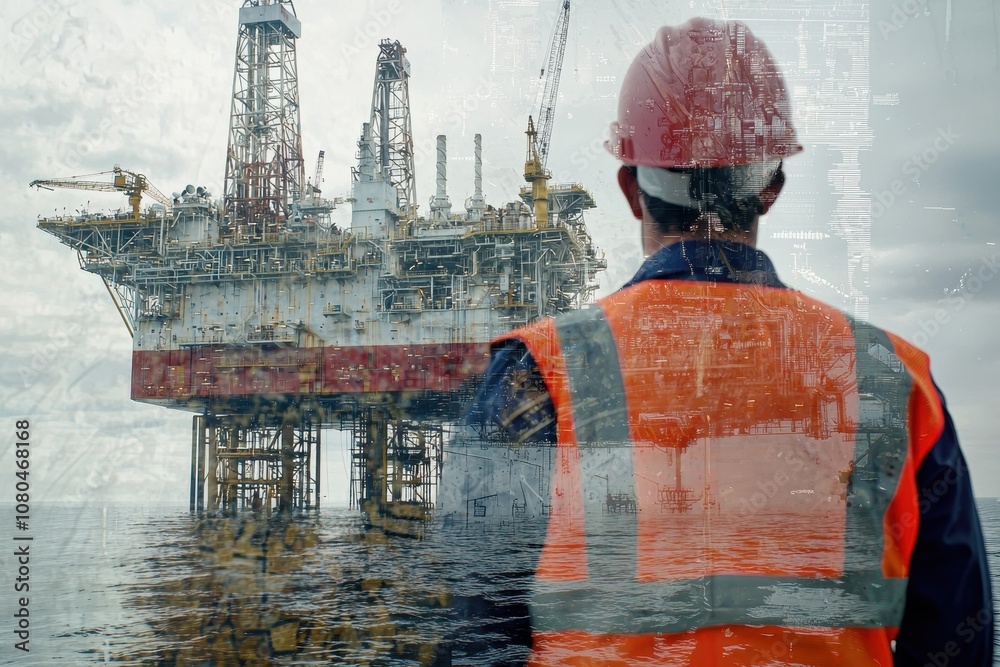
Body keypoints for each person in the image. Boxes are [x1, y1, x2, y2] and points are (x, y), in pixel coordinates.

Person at [456, 17, 993, 666]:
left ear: (632, 189)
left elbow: (468, 631)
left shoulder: (536, 376)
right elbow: (957, 641)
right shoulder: (897, 383)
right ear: (771, 187)